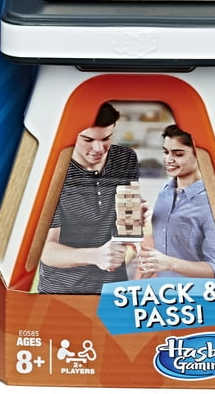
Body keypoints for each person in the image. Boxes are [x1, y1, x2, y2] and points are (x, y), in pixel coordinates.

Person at [38, 102, 144, 294]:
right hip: (62, 291)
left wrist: (134, 232)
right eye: (88, 139)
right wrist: (95, 256)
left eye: (106, 138)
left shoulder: (125, 158)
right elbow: (46, 251)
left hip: (114, 288)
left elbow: (128, 219)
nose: (98, 148)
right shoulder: (52, 171)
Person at [139, 124, 215, 279]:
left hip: (196, 292)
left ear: (200, 154)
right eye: (165, 152)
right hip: (164, 289)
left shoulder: (212, 203)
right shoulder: (165, 191)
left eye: (178, 154)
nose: (168, 159)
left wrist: (170, 263)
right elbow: (167, 246)